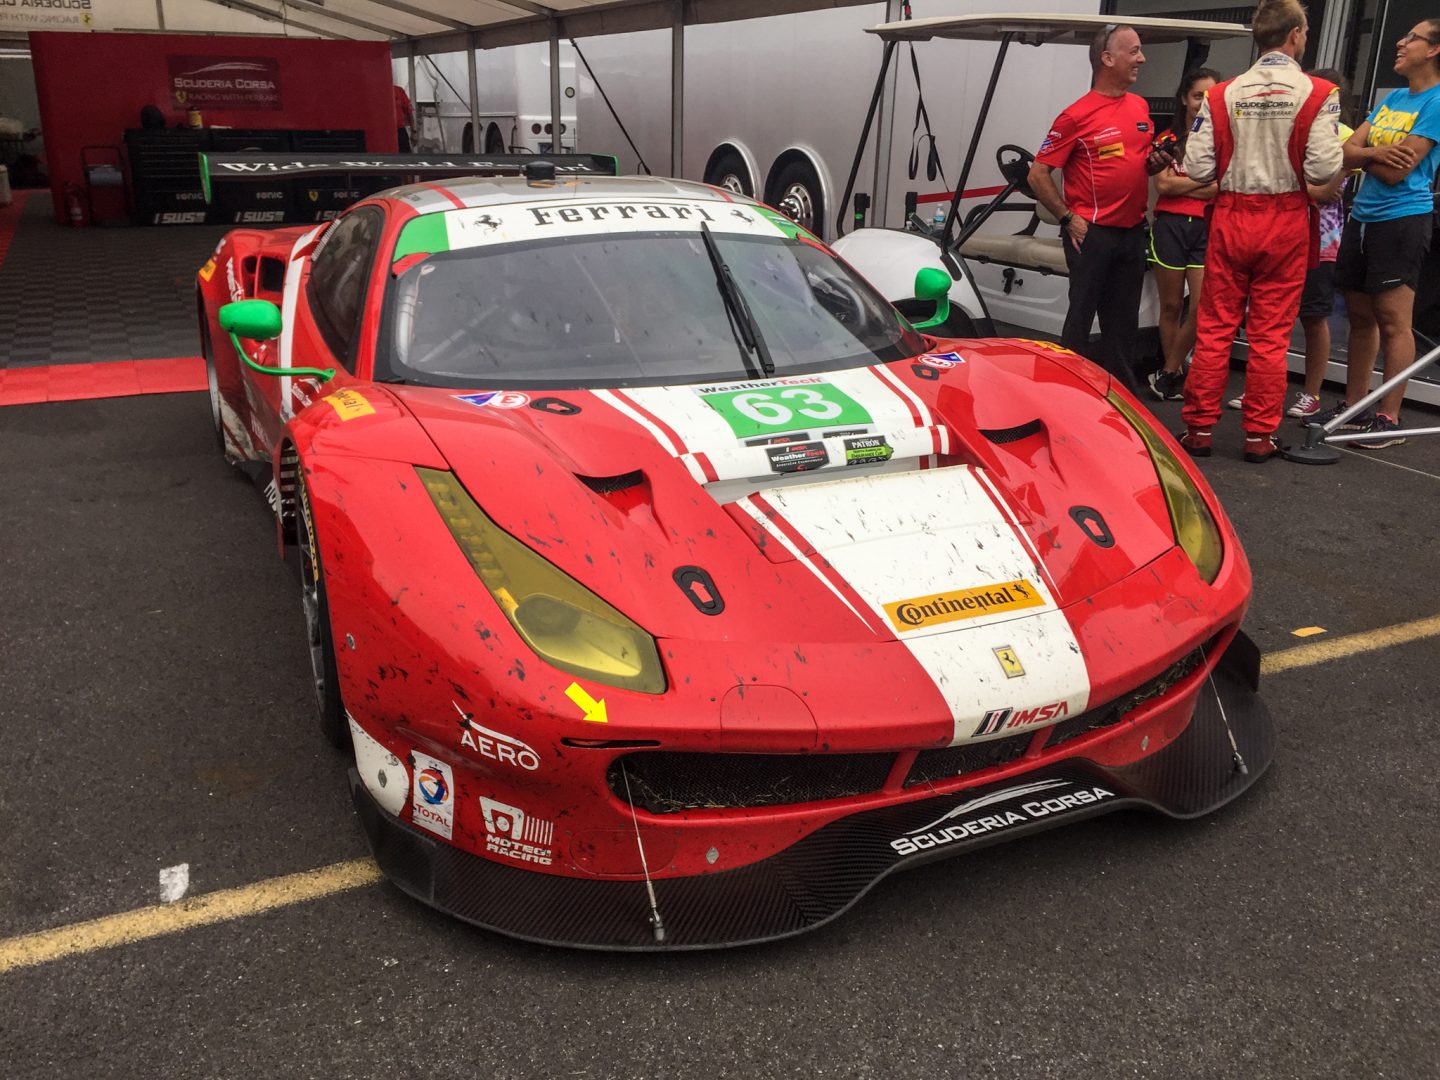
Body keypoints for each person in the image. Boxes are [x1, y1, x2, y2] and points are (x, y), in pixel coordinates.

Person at [1178, 0, 1344, 463]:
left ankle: (1198, 430)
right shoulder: (1319, 92)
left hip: (1231, 216)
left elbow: (1196, 167)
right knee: (1270, 337)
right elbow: (1324, 167)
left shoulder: (1221, 94)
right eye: (1306, 31)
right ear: (1295, 35)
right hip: (1286, 218)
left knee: (1214, 330)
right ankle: (1258, 437)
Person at [1312, 21, 1440, 449]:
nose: (1401, 43)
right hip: (1363, 217)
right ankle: (1355, 407)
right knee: (1361, 317)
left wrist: (1364, 157)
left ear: (1435, 50)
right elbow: (1343, 150)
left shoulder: (1437, 101)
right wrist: (1372, 154)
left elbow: (1398, 170)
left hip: (1402, 220)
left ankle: (1388, 418)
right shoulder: (1396, 99)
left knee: (1393, 321)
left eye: (1413, 38)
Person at [1029, 24, 1175, 393]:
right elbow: (1038, 174)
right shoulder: (1075, 115)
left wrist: (1154, 164)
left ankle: (1121, 398)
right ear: (1108, 59)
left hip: (1131, 230)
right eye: (1134, 51)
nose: (1142, 58)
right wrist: (1067, 218)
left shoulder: (1140, 106)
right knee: (1081, 318)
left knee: (1123, 323)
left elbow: (1136, 165)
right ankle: (1063, 392)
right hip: (1090, 232)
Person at [1285, 68, 1356, 419]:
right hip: (1284, 234)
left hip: (1321, 240)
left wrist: (1284, 186)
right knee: (1274, 315)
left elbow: (1327, 190)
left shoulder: (1344, 135)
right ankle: (1261, 388)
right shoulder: (1293, 127)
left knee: (1313, 317)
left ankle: (1311, 393)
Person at [1147, 68, 1222, 401]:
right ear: (1183, 99)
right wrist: (1200, 184)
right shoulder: (1167, 139)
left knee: (1202, 307)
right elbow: (1162, 185)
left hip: (1207, 227)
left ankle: (1170, 369)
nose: (1203, 103)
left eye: (1210, 97)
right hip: (1169, 228)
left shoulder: (1223, 141)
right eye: (1197, 96)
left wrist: (1184, 187)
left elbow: (1219, 190)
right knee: (1171, 306)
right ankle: (1172, 374)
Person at [394, 84, 414, 154]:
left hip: (399, 130)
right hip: (382, 132)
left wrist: (413, 132)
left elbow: (409, 112)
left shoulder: (398, 91)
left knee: (405, 158)